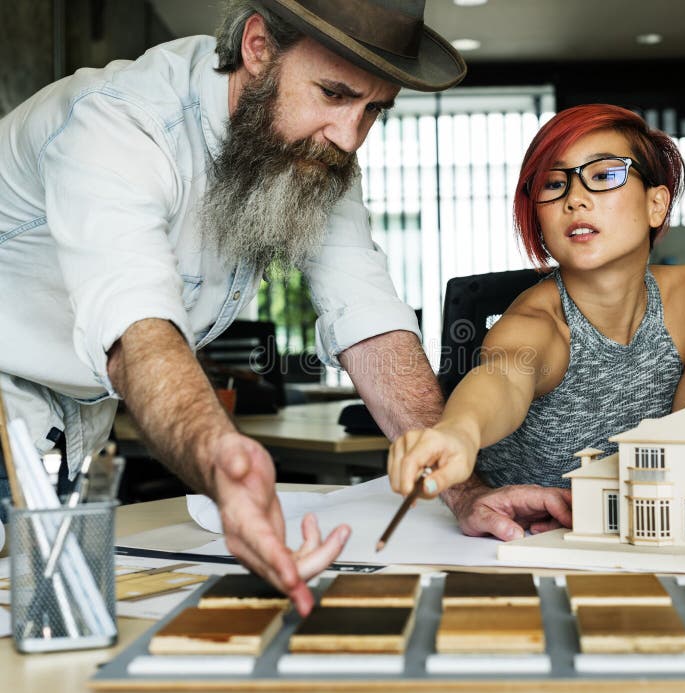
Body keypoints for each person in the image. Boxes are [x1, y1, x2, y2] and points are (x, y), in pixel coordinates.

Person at [0, 1, 467, 614]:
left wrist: (466, 489)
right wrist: (223, 463)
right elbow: (136, 328)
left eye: (374, 109)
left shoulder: (312, 152)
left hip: (70, 432)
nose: (350, 136)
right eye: (333, 94)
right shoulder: (118, 123)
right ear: (258, 48)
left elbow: (369, 316)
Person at [388, 104, 685, 530]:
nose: (574, 198)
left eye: (604, 175)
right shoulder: (534, 324)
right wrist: (459, 432)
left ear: (656, 204)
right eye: (554, 184)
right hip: (520, 545)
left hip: (645, 537)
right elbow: (503, 377)